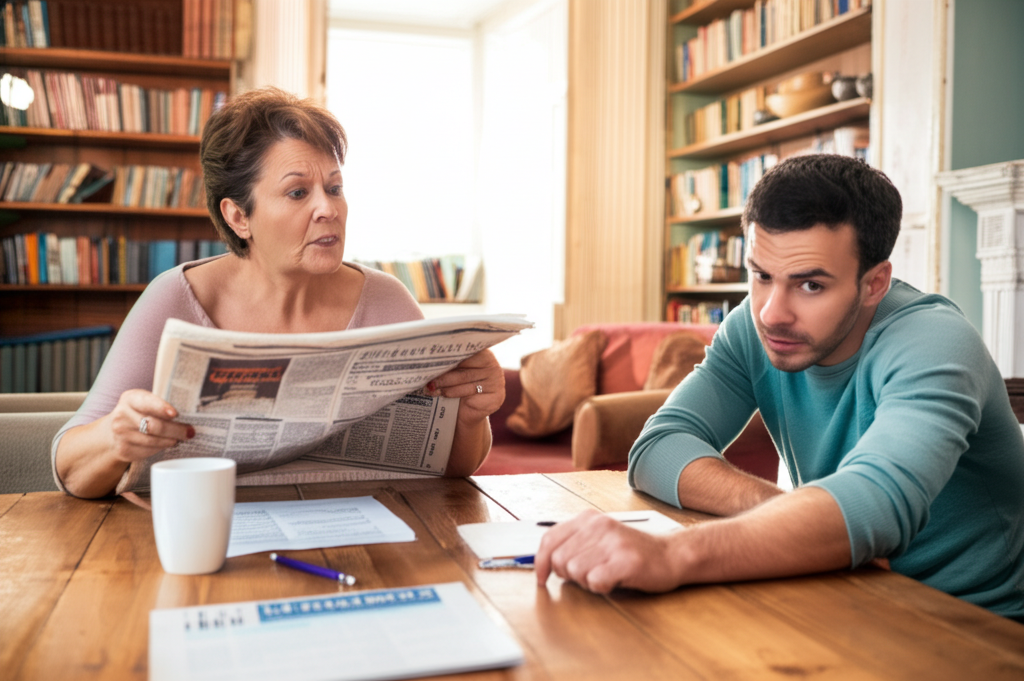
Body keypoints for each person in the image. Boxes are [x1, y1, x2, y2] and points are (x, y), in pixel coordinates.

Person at [534, 154, 1024, 620]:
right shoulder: (754, 326)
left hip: (972, 621)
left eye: (811, 285)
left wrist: (671, 555)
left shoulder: (935, 342)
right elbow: (658, 448)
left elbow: (875, 506)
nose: (772, 312)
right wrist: (781, 511)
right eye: (761, 275)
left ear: (874, 283)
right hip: (844, 590)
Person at [52, 87, 503, 499]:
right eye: (297, 192)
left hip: (363, 543)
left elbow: (452, 468)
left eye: (334, 187)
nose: (327, 209)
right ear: (238, 217)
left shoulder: (388, 299)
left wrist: (470, 414)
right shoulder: (175, 298)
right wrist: (117, 436)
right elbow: (69, 467)